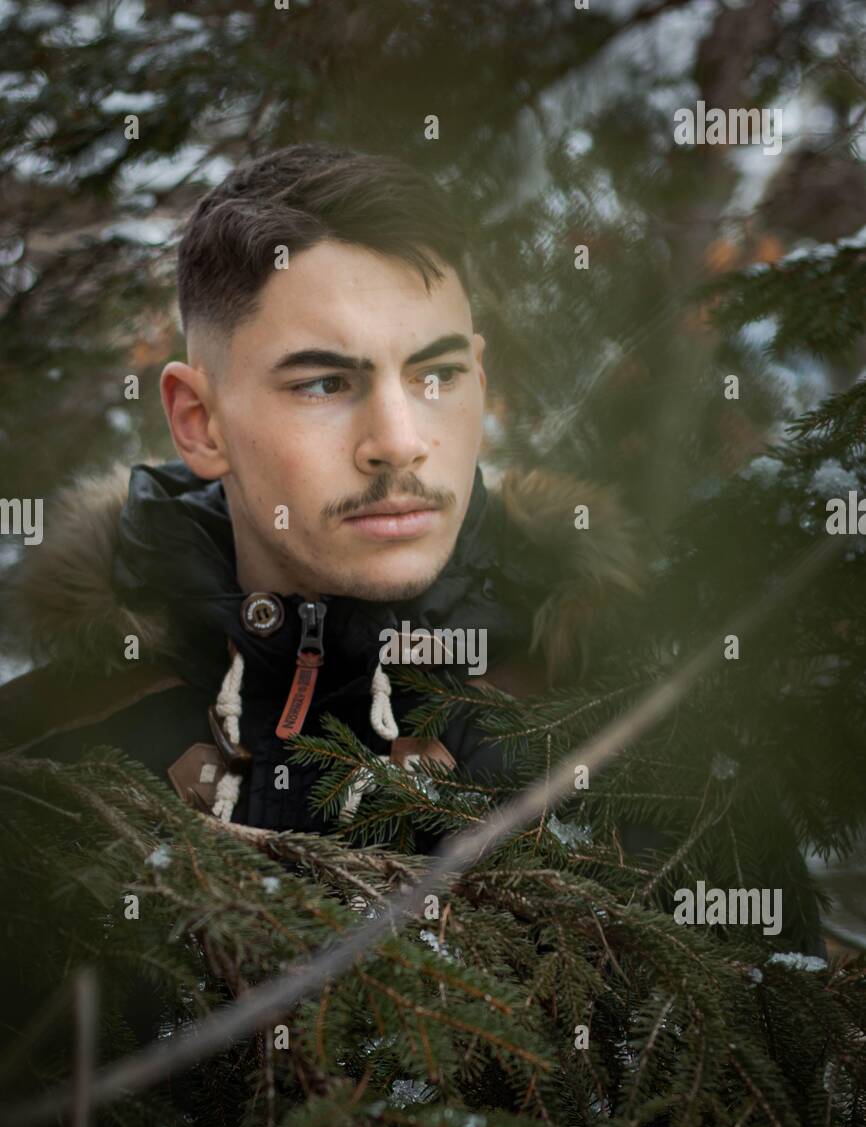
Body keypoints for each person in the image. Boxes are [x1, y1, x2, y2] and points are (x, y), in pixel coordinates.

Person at [0, 142, 640, 837]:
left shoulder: (637, 736)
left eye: (437, 376)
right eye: (323, 384)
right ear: (200, 423)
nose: (398, 442)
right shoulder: (48, 752)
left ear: (479, 385)